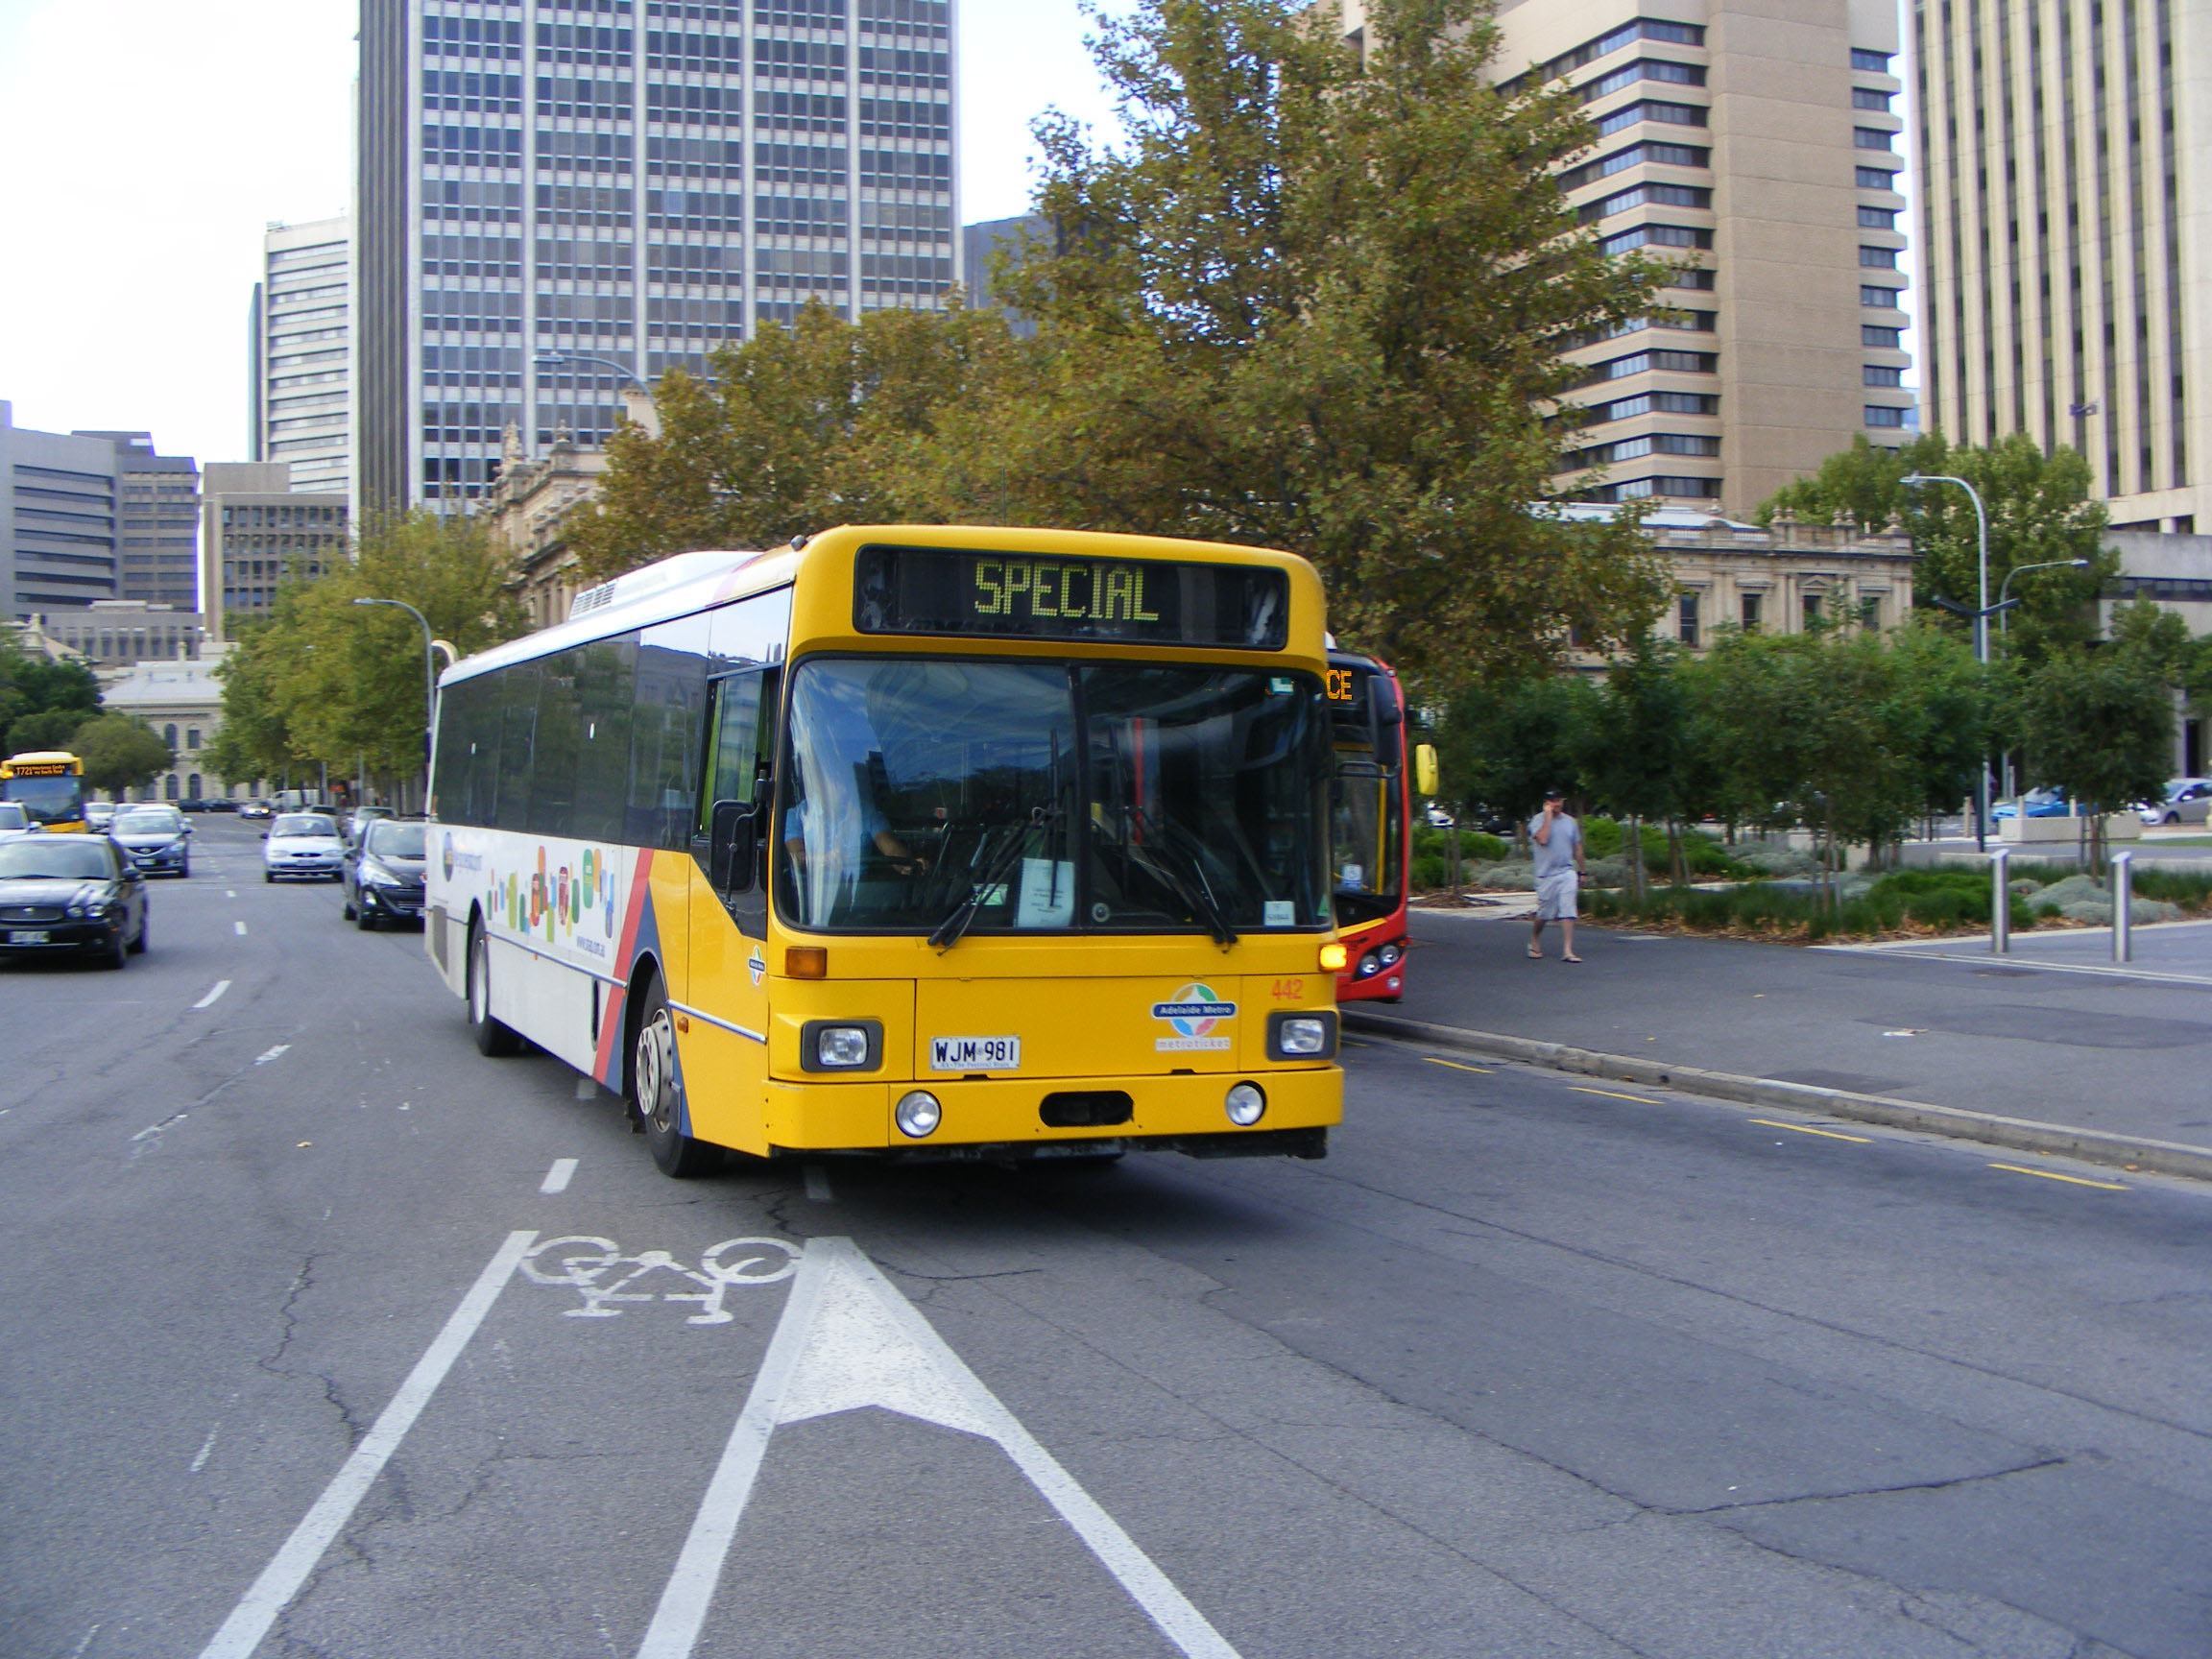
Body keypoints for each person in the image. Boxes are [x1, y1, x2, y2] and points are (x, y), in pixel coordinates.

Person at [1527, 788, 1586, 962]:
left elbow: (1578, 848)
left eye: (1560, 800)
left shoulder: (1570, 822)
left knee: (1568, 910)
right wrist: (1547, 817)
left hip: (1566, 871)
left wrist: (1582, 871)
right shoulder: (1537, 821)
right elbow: (1544, 839)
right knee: (1545, 914)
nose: (1557, 803)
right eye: (1553, 801)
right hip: (1546, 875)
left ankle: (1568, 950)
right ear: (1546, 803)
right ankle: (1535, 939)